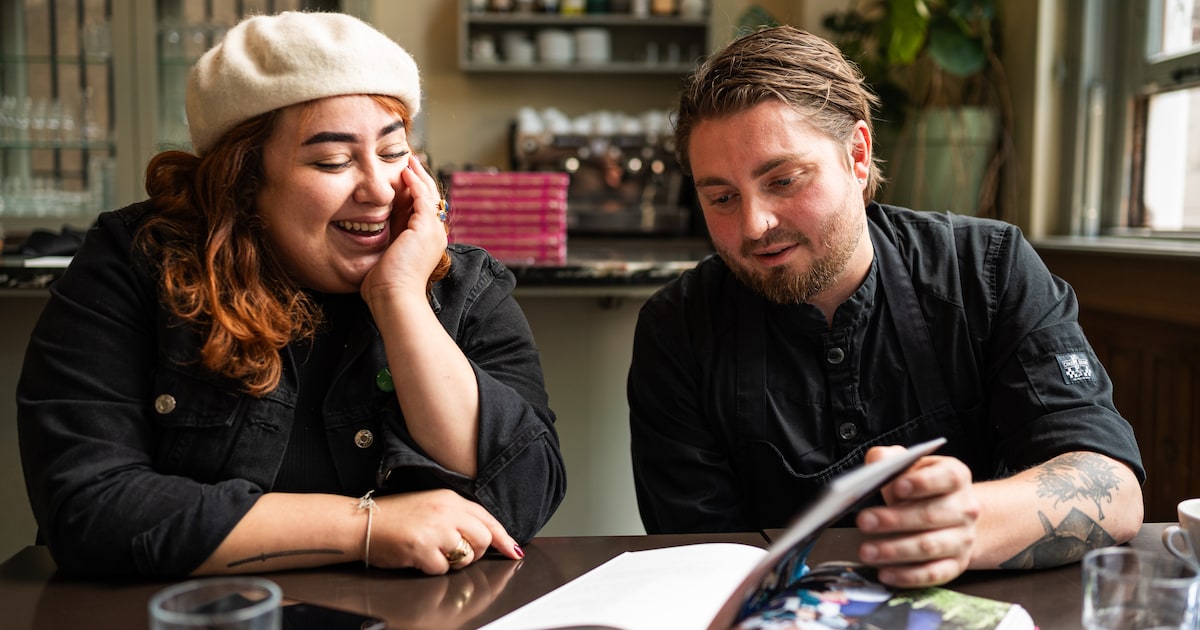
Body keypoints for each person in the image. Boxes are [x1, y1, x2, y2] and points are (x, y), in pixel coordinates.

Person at [17, 11, 565, 577]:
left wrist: (400, 299)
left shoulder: (463, 287)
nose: (378, 189)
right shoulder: (137, 264)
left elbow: (524, 491)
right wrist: (366, 526)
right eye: (332, 160)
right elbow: (90, 511)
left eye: (394, 152)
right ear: (242, 182)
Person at [627, 25, 1145, 588]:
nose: (754, 225)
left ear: (857, 153)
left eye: (783, 180)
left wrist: (967, 524)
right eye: (722, 198)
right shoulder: (676, 329)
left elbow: (1112, 486)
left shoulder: (988, 270)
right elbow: (698, 559)